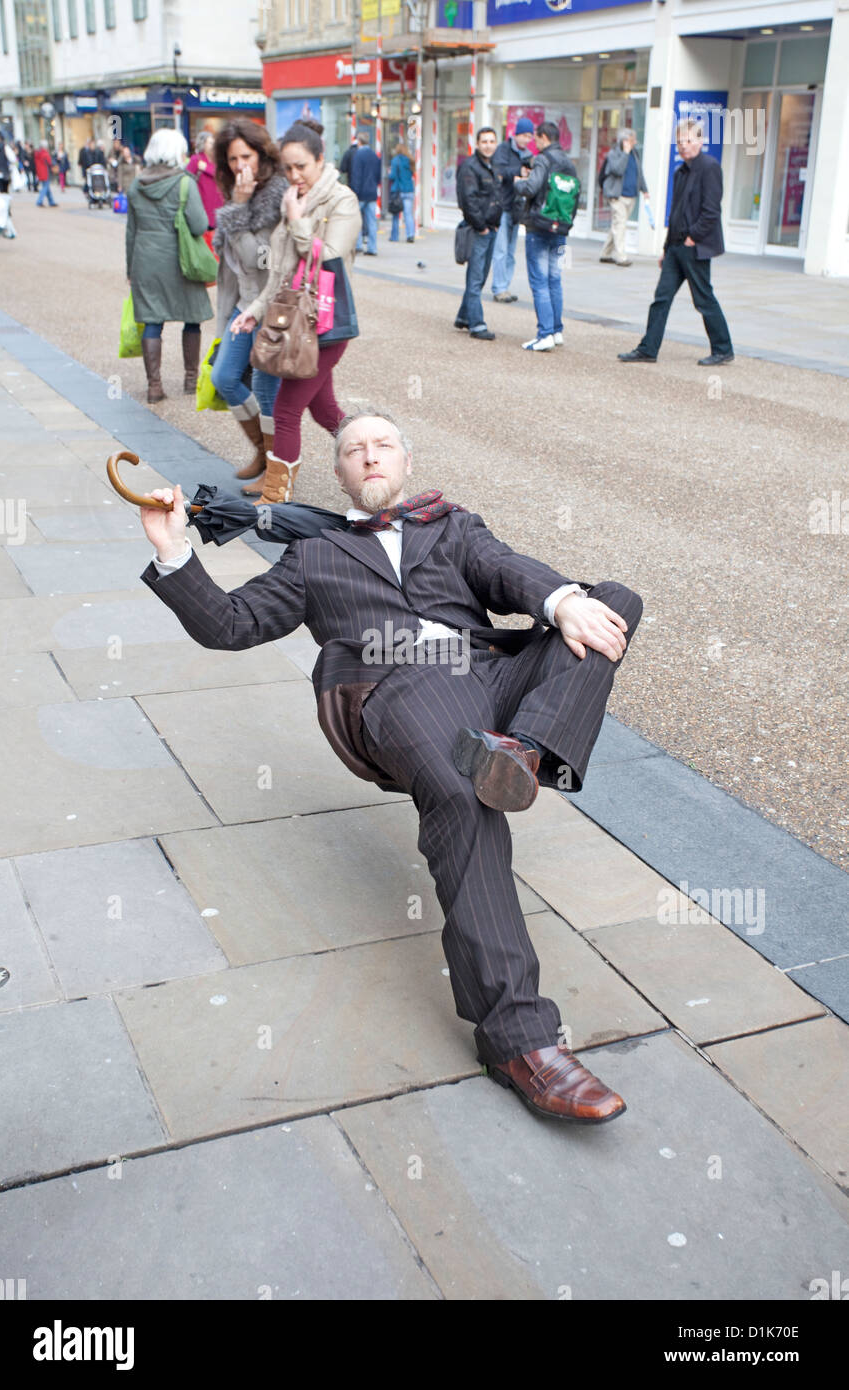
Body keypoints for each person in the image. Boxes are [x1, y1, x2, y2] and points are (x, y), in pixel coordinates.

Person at [137, 409, 643, 1125]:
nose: (370, 457)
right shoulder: (313, 558)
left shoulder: (454, 527)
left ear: (405, 462)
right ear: (339, 472)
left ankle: (520, 752)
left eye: (383, 446)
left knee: (610, 603)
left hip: (487, 677)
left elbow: (507, 571)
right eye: (353, 450)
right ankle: (520, 1040)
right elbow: (230, 624)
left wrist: (562, 603)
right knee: (465, 804)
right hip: (397, 688)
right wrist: (171, 550)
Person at [230, 118, 361, 506]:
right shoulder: (293, 197)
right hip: (294, 321)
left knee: (286, 408)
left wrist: (297, 220)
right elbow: (281, 273)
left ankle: (276, 495)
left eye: (301, 166)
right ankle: (375, 453)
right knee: (325, 411)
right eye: (288, 167)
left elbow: (330, 257)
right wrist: (254, 310)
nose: (294, 174)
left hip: (324, 324)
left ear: (321, 160)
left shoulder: (342, 200)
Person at [210, 118, 288, 494]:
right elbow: (227, 258)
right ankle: (261, 450)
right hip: (241, 306)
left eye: (248, 156)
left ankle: (276, 468)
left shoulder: (276, 195)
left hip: (270, 306)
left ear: (261, 154)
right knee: (224, 377)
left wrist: (238, 212)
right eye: (233, 159)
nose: (242, 166)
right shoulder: (238, 195)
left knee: (267, 390)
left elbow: (259, 258)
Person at [618, 119, 734, 366]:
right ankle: (648, 349)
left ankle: (723, 349)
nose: (684, 146)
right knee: (661, 298)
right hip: (675, 248)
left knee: (703, 299)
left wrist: (694, 237)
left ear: (701, 142)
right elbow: (677, 212)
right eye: (680, 141)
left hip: (695, 247)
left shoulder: (710, 167)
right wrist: (666, 247)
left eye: (689, 141)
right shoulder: (680, 172)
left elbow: (711, 211)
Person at [126, 127, 213, 403]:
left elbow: (130, 232)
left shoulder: (136, 185)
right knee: (191, 318)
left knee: (152, 322)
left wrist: (130, 269)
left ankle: (154, 386)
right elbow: (199, 224)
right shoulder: (185, 183)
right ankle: (190, 380)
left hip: (145, 260)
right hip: (181, 261)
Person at [513, 120, 577, 352]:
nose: (535, 143)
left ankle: (545, 334)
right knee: (555, 280)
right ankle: (557, 331)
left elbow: (531, 188)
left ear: (543, 138)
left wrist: (518, 183)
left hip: (539, 227)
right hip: (561, 230)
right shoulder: (569, 163)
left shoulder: (543, 159)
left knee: (539, 282)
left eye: (537, 138)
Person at [454, 127, 502, 341]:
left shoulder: (493, 166)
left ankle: (464, 316)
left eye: (492, 141)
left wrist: (496, 223)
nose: (488, 145)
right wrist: (481, 225)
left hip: (491, 228)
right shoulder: (470, 167)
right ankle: (477, 324)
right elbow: (468, 200)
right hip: (478, 230)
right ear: (477, 144)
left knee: (480, 276)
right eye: (484, 141)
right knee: (475, 279)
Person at [490, 117, 533, 302]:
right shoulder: (504, 149)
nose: (526, 139)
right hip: (502, 205)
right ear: (516, 134)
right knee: (500, 249)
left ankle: (505, 286)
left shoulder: (529, 155)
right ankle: (499, 289)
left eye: (529, 136)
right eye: (524, 135)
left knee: (510, 251)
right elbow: (498, 171)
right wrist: (518, 172)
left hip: (517, 208)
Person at [600, 128, 649, 267]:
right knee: (620, 224)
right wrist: (625, 153)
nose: (635, 142)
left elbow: (639, 172)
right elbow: (617, 169)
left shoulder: (635, 153)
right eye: (632, 140)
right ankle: (621, 257)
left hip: (631, 195)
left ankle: (605, 253)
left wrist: (644, 189)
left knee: (617, 224)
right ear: (625, 141)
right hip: (617, 195)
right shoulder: (614, 154)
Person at [348, 133, 381, 255]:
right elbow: (378, 175)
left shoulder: (358, 155)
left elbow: (356, 175)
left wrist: (354, 192)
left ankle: (358, 245)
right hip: (372, 193)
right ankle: (373, 248)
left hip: (360, 193)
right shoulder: (374, 155)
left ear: (359, 142)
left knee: (357, 220)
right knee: (372, 222)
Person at [187, 131, 224, 230]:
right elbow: (187, 178)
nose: (213, 146)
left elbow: (222, 176)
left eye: (214, 143)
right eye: (210, 143)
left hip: (219, 203)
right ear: (203, 144)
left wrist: (206, 168)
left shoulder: (218, 160)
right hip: (203, 203)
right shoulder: (196, 159)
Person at [388, 143, 415, 243]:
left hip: (398, 190)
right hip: (409, 190)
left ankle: (394, 236)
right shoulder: (410, 161)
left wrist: (389, 173)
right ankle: (410, 234)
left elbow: (393, 176)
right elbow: (411, 174)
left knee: (395, 214)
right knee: (408, 214)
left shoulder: (395, 161)